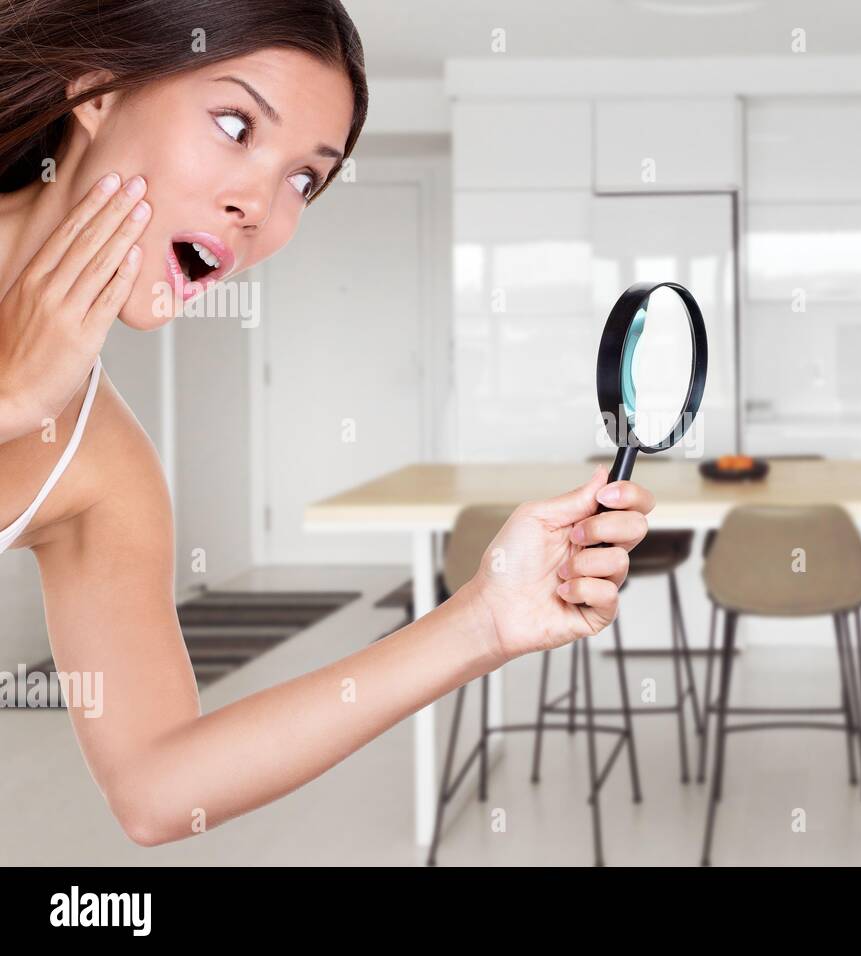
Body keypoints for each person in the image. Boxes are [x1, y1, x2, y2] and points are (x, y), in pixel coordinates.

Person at [0, 0, 653, 847]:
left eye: (304, 179)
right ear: (95, 88)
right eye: (235, 124)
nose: (260, 207)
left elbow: (159, 787)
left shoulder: (99, 470)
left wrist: (482, 621)